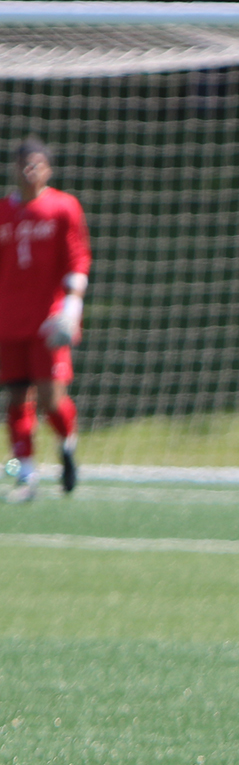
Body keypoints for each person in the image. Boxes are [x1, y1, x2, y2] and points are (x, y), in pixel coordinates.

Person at [1, 137, 90, 504]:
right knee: (16, 398)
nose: (29, 170)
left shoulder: (63, 208)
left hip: (48, 322)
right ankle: (26, 475)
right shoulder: (3, 211)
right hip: (8, 321)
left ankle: (67, 445)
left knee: (52, 400)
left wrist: (71, 306)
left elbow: (77, 259)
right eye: (23, 164)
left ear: (48, 170)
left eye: (36, 164)